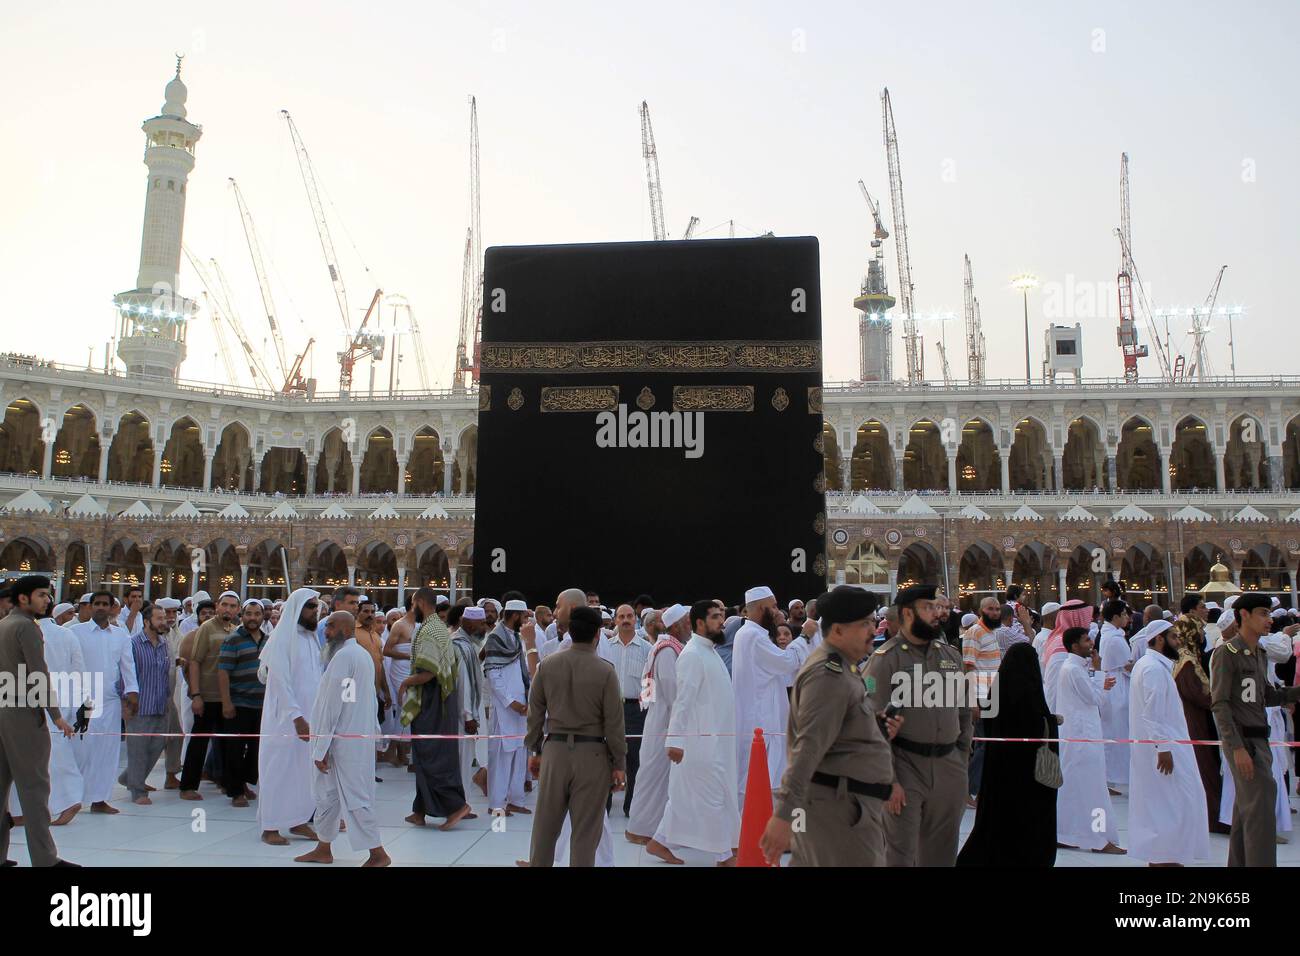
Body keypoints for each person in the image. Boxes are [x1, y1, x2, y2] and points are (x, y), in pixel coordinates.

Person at [762, 587, 900, 866]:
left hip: (847, 809)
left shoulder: (845, 667)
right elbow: (808, 747)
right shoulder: (827, 675)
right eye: (864, 624)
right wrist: (784, 814)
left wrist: (875, 728)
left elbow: (839, 730)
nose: (872, 630)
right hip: (837, 813)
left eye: (873, 622)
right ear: (837, 631)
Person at [865, 584, 971, 866]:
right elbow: (872, 726)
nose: (938, 613)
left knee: (943, 851)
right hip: (905, 765)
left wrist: (961, 758)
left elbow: (964, 713)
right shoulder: (884, 661)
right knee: (901, 853)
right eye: (929, 607)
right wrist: (889, 781)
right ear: (908, 614)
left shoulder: (951, 657)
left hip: (949, 766)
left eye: (938, 607)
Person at [526, 606, 627, 867]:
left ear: (569, 632)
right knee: (585, 835)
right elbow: (614, 723)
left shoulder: (547, 666)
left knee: (545, 831)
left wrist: (536, 751)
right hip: (592, 755)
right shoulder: (605, 671)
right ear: (597, 635)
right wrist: (619, 765)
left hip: (555, 752)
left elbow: (535, 714)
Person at [294, 611, 391, 867]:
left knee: (356, 797)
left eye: (332, 627)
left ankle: (378, 853)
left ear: (347, 630)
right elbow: (365, 699)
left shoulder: (345, 657)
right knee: (329, 796)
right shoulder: (358, 655)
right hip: (353, 739)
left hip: (342, 742)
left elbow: (331, 706)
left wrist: (321, 747)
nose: (326, 632)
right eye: (326, 627)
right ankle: (323, 848)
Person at [646, 601, 739, 865]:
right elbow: (682, 702)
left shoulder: (709, 651)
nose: (722, 622)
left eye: (722, 616)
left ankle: (658, 842)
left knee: (685, 799)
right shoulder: (692, 655)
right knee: (712, 798)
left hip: (715, 741)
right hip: (699, 744)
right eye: (715, 617)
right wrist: (674, 741)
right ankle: (724, 856)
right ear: (699, 622)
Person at [1211, 592, 1300, 865]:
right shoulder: (1227, 653)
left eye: (1269, 613)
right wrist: (1236, 748)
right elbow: (1221, 705)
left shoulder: (1260, 653)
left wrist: (1295, 693)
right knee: (1261, 818)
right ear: (1244, 615)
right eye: (1262, 613)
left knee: (1246, 814)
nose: (1269, 619)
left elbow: (1265, 696)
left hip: (1260, 739)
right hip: (1244, 742)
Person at [0, 575, 78, 868]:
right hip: (22, 714)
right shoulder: (25, 627)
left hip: (3, 708)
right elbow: (38, 676)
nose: (47, 601)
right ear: (24, 598)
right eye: (42, 595)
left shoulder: (4, 624)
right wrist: (56, 715)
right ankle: (45, 859)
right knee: (34, 788)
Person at [957, 642, 1058, 866]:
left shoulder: (999, 689)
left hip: (1000, 771)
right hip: (1029, 776)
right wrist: (1051, 721)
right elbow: (1034, 724)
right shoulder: (1030, 690)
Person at [1128, 621, 1209, 866]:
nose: (1178, 642)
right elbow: (1152, 714)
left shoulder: (1153, 666)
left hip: (1168, 745)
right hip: (1165, 749)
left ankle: (1167, 856)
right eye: (1174, 637)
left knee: (1171, 804)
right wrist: (1163, 748)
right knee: (1173, 805)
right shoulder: (1152, 668)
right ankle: (1166, 859)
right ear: (1159, 639)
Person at [399, 587, 472, 830]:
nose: (412, 610)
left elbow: (428, 673)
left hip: (433, 703)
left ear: (420, 602)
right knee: (424, 753)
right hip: (438, 701)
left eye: (413, 605)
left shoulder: (430, 630)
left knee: (433, 755)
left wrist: (405, 682)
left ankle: (456, 806)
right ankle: (420, 810)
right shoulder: (437, 627)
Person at [732, 585, 810, 803]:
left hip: (760, 718)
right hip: (761, 721)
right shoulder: (753, 636)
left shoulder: (752, 634)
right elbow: (787, 662)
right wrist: (804, 637)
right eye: (773, 606)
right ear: (759, 609)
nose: (777, 611)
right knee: (757, 785)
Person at [257, 588, 323, 846]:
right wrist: (296, 717)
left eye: (316, 608)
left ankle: (297, 820)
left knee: (303, 771)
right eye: (310, 607)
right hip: (285, 719)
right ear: (297, 609)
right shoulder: (282, 639)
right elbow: (280, 683)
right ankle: (270, 825)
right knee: (278, 769)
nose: (314, 612)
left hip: (309, 717)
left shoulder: (310, 638)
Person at [1055, 626, 1124, 854]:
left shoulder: (1075, 668)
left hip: (1080, 738)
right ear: (1075, 645)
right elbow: (1096, 698)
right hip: (1083, 740)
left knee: (1074, 788)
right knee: (1093, 790)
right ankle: (1099, 839)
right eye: (1086, 640)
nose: (1091, 644)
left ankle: (1064, 834)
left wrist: (1096, 674)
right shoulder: (1073, 669)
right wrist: (1101, 677)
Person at [70, 591, 138, 814]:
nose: (100, 607)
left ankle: (99, 799)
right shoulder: (74, 633)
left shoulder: (120, 635)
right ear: (89, 607)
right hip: (81, 701)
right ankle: (72, 799)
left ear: (111, 608)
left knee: (107, 751)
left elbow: (128, 666)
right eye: (96, 604)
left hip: (109, 701)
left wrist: (132, 692)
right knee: (80, 750)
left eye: (104, 604)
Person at [626, 603, 689, 844]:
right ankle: (640, 830)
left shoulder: (664, 647)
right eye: (687, 623)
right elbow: (673, 692)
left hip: (660, 720)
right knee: (653, 778)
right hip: (664, 723)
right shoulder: (666, 651)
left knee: (659, 779)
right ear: (678, 626)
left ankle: (654, 830)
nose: (690, 627)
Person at [178, 591, 239, 801]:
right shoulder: (206, 628)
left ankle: (228, 784)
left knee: (227, 744)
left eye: (232, 606)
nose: (228, 609)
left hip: (227, 698)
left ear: (237, 610)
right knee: (199, 742)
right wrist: (196, 695)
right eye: (225, 605)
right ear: (217, 606)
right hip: (207, 696)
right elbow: (194, 661)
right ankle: (188, 786)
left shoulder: (235, 631)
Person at [120, 603, 172, 806]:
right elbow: (125, 673)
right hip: (139, 706)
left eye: (164, 618)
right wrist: (126, 701)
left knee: (157, 746)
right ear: (147, 621)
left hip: (161, 704)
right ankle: (137, 789)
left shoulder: (164, 643)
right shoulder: (132, 644)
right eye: (159, 618)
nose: (163, 622)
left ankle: (129, 778)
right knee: (138, 749)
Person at [217, 599, 267, 807]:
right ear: (242, 616)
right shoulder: (233, 639)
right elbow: (223, 672)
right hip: (239, 702)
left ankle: (244, 782)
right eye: (249, 614)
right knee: (235, 749)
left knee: (256, 749)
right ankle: (235, 790)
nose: (253, 618)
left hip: (261, 704)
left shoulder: (267, 640)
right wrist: (226, 703)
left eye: (257, 614)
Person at [484, 598, 531, 816]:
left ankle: (515, 799)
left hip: (521, 706)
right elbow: (493, 674)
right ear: (514, 615)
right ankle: (497, 804)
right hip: (505, 707)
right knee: (502, 757)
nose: (526, 620)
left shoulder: (516, 637)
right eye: (523, 616)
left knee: (520, 754)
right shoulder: (496, 638)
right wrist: (511, 702)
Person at [603, 603, 652, 816]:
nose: (625, 620)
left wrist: (647, 710)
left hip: (635, 710)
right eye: (621, 616)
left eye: (629, 616)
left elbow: (650, 682)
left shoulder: (647, 648)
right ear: (615, 620)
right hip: (608, 709)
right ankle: (603, 804)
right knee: (605, 756)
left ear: (636, 619)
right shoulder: (605, 647)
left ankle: (631, 806)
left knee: (634, 759)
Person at [963, 596, 1002, 802]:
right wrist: (973, 702)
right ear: (981, 610)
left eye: (997, 609)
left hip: (992, 695)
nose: (995, 612)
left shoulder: (991, 633)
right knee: (983, 745)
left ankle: (980, 789)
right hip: (980, 696)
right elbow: (969, 668)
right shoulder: (975, 632)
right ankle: (969, 789)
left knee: (989, 744)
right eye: (990, 609)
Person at [450, 605, 487, 801]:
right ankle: (460, 804)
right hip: (461, 714)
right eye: (481, 623)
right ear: (468, 623)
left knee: (464, 759)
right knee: (462, 761)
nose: (484, 627)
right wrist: (468, 716)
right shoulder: (460, 646)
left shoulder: (467, 644)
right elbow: (463, 684)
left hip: (465, 712)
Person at [1097, 599, 1132, 789]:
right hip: (1117, 686)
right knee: (1117, 732)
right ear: (1116, 617)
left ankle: (1114, 776)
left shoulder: (1111, 634)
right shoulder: (1115, 639)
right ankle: (1114, 777)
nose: (1127, 618)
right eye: (1125, 615)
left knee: (1114, 730)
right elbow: (1127, 665)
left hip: (1113, 684)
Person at [1039, 600, 1094, 712]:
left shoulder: (1064, 642)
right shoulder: (1061, 648)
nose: (1090, 620)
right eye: (1086, 616)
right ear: (1077, 618)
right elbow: (1054, 689)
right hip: (1068, 716)